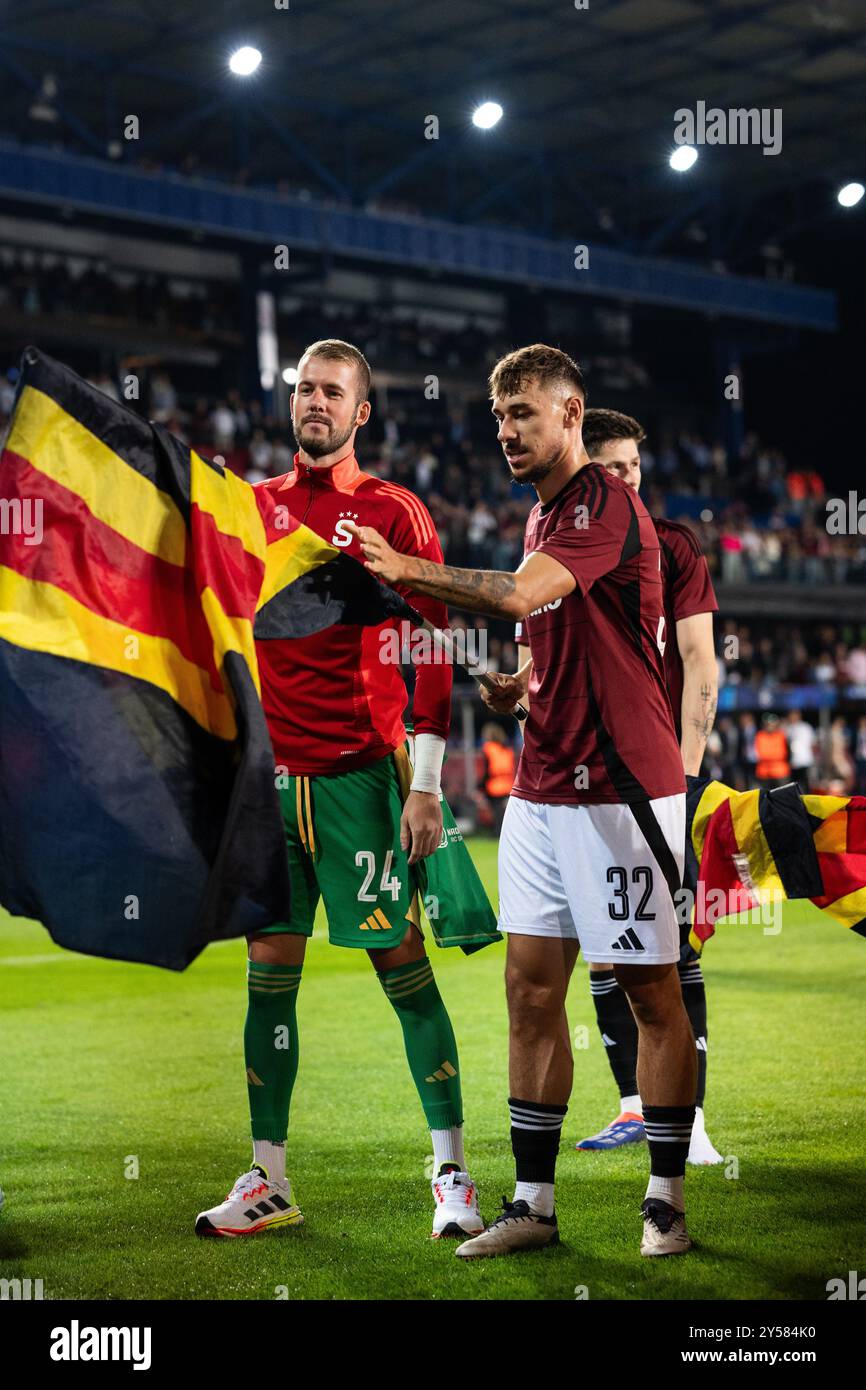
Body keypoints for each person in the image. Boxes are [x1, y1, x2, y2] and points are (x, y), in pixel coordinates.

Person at [351, 343, 697, 1258]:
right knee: (529, 991)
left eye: (524, 414)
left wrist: (403, 567)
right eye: (499, 417)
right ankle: (535, 1207)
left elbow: (512, 594)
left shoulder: (607, 506)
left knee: (649, 992)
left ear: (572, 414)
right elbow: (555, 630)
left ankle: (664, 1201)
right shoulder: (545, 518)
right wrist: (516, 684)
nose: (506, 431)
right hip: (541, 789)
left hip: (622, 791)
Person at [196, 340, 482, 1241]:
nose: (315, 402)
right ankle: (268, 1178)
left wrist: (427, 784)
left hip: (360, 777)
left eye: (334, 392)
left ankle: (453, 1176)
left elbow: (431, 645)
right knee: (266, 979)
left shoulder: (393, 510)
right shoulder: (254, 508)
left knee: (402, 971)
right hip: (271, 785)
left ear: (362, 412)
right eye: (305, 390)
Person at [568, 409, 721, 1165]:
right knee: (605, 951)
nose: (627, 478)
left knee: (671, 949)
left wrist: (687, 779)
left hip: (660, 776)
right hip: (587, 779)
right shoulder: (559, 543)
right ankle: (633, 1106)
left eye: (633, 465)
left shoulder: (674, 546)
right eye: (613, 466)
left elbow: (701, 661)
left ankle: (688, 1122)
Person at [480, 722, 516, 835]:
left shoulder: (488, 749)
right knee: (505, 815)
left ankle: (496, 834)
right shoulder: (508, 750)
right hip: (508, 786)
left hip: (494, 786)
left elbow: (486, 770)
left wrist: (480, 786)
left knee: (496, 814)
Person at [754, 714, 790, 789]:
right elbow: (760, 754)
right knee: (764, 797)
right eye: (768, 724)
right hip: (764, 772)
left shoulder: (781, 735)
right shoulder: (760, 735)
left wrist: (769, 755)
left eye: (772, 724)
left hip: (780, 772)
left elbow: (783, 753)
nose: (770, 726)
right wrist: (773, 755)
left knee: (782, 796)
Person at [786, 709, 817, 791]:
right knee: (793, 786)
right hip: (793, 762)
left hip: (806, 760)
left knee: (807, 784)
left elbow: (813, 743)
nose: (793, 718)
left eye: (794, 715)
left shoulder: (806, 727)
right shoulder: (788, 728)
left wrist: (814, 758)